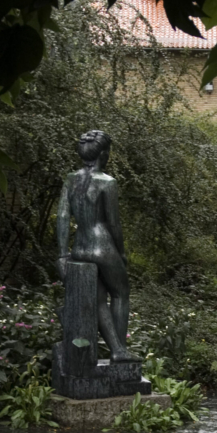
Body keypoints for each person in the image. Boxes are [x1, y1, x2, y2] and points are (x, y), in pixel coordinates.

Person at [56, 130, 140, 362]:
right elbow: (113, 223)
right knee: (121, 293)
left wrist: (63, 254)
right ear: (104, 154)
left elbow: (62, 216)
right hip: (102, 247)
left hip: (80, 248)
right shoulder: (107, 182)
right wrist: (121, 253)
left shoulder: (71, 179)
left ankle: (117, 350)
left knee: (99, 299)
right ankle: (120, 349)